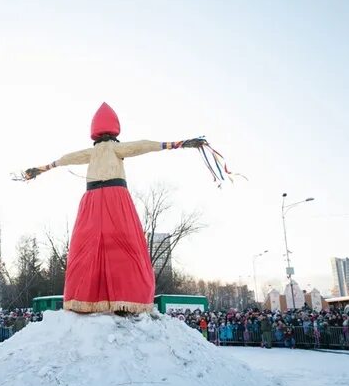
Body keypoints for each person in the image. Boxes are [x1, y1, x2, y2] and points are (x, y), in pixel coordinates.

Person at [18, 102, 233, 313]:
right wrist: (178, 143)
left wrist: (41, 169)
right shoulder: (115, 148)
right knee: (123, 245)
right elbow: (144, 145)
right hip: (113, 197)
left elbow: (65, 159)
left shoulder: (94, 152)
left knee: (85, 246)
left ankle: (86, 297)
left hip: (93, 198)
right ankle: (125, 296)